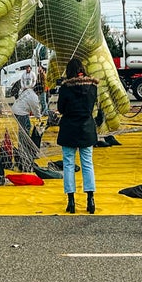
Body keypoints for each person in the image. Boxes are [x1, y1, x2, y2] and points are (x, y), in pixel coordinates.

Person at [56, 57, 100, 214]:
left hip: (69, 128)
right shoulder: (93, 87)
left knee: (68, 164)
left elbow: (61, 109)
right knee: (87, 163)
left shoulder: (66, 88)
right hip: (86, 128)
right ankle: (90, 199)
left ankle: (71, 201)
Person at [11, 81, 42, 170]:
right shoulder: (34, 97)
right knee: (23, 132)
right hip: (21, 113)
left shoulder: (29, 90)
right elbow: (36, 108)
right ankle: (23, 151)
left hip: (17, 109)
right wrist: (38, 117)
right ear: (39, 92)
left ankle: (25, 148)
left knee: (27, 126)